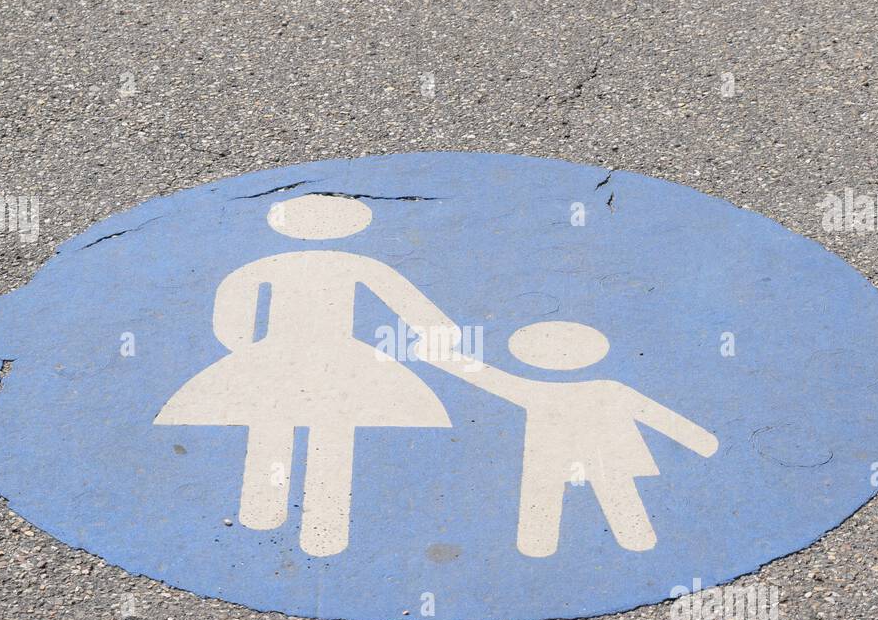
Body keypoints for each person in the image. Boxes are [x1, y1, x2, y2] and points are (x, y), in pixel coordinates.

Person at [155, 193, 459, 557]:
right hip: (341, 358)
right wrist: (437, 336)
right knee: (335, 429)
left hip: (275, 355)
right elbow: (416, 310)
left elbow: (231, 322)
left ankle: (262, 510)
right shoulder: (358, 265)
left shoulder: (263, 267)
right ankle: (325, 528)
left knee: (270, 424)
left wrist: (251, 352)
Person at [416, 320, 719, 557]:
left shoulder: (535, 389)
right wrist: (701, 441)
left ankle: (538, 543)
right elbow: (655, 413)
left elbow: (486, 375)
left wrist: (439, 356)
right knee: (615, 491)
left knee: (545, 494)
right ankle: (636, 538)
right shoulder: (607, 387)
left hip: (550, 454)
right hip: (607, 454)